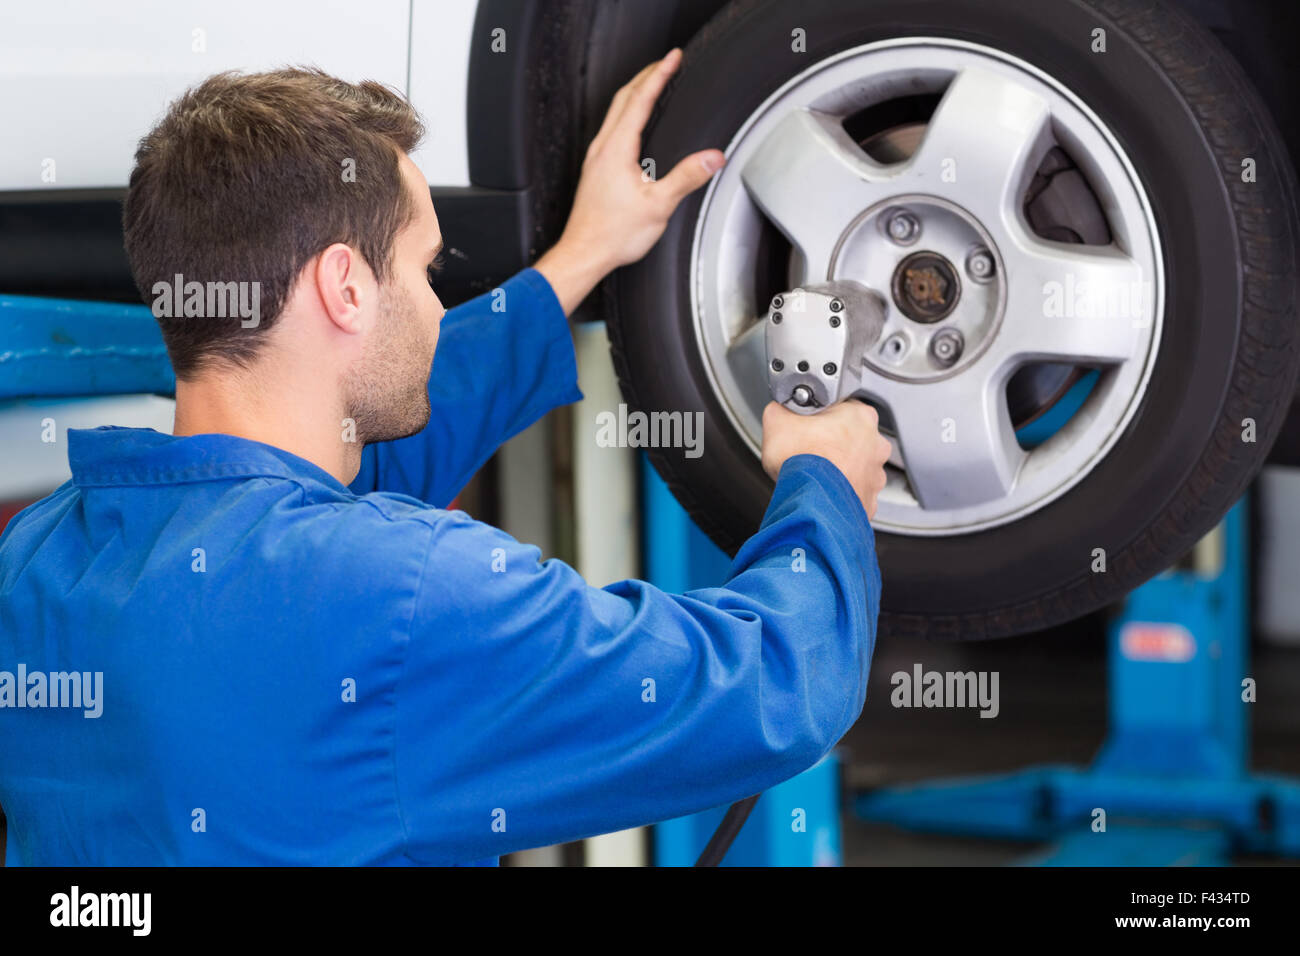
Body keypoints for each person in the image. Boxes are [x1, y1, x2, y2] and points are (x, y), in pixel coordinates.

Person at [0, 51, 890, 866]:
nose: (434, 306)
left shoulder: (39, 564)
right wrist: (825, 486)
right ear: (345, 286)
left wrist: (580, 259)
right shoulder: (405, 594)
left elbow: (306, 504)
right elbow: (772, 686)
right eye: (426, 269)